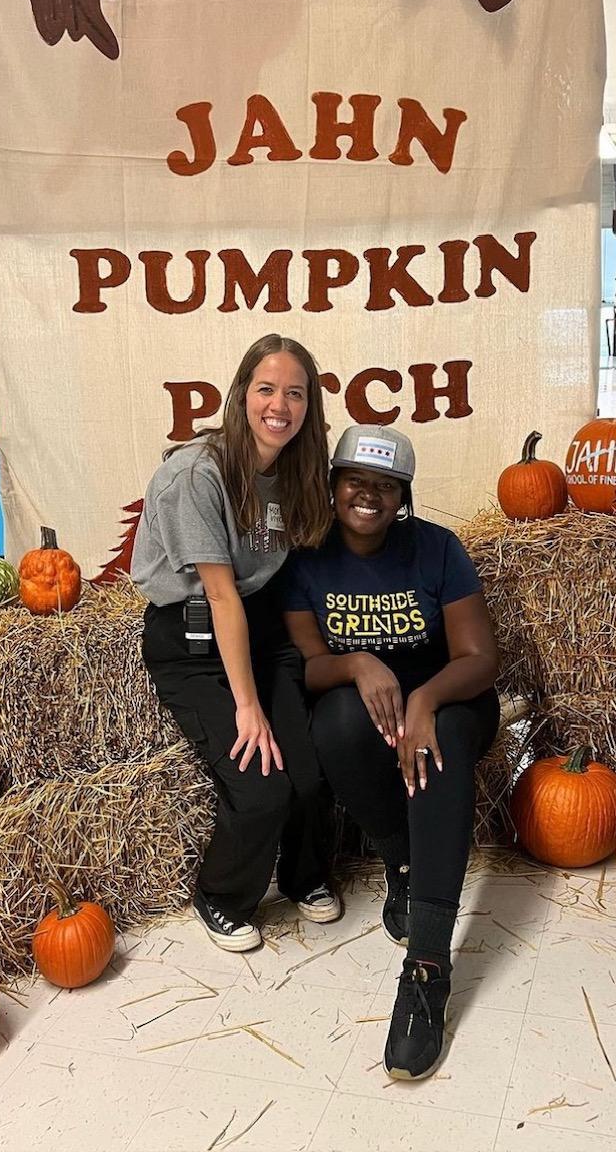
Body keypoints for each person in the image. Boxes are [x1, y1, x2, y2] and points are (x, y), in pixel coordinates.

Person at [283, 424, 500, 1081]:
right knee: (335, 722)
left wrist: (426, 698)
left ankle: (428, 967)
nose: (369, 495)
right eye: (356, 481)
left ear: (403, 496)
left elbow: (480, 658)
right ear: (333, 486)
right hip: (370, 710)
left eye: (386, 485)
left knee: (441, 745)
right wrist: (357, 663)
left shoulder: (437, 548)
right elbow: (308, 667)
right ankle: (402, 861)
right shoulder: (307, 558)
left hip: (451, 703)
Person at [134, 333, 341, 952]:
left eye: (295, 394)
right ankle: (221, 896)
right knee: (262, 787)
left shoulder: (296, 469)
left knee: (309, 773)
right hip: (194, 637)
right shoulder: (196, 475)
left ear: (309, 407)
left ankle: (304, 876)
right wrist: (249, 707)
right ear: (241, 394)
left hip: (262, 628)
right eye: (267, 389)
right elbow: (222, 597)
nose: (280, 406)